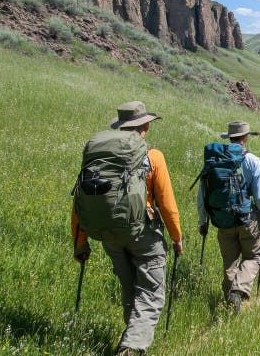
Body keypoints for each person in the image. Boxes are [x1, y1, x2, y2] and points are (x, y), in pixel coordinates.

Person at [71, 101, 183, 356]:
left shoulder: (99, 157)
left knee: (130, 289)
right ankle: (131, 347)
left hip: (109, 234)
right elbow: (167, 204)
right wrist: (176, 236)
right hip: (144, 233)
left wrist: (80, 242)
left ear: (121, 126)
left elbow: (80, 201)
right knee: (151, 292)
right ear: (146, 126)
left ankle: (131, 340)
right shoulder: (153, 156)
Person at [197, 121, 260, 313]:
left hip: (222, 220)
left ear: (229, 137)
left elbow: (202, 195)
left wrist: (203, 221)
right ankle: (238, 292)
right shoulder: (253, 161)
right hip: (247, 219)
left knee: (229, 261)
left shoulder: (213, 162)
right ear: (245, 137)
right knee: (253, 256)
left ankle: (229, 301)